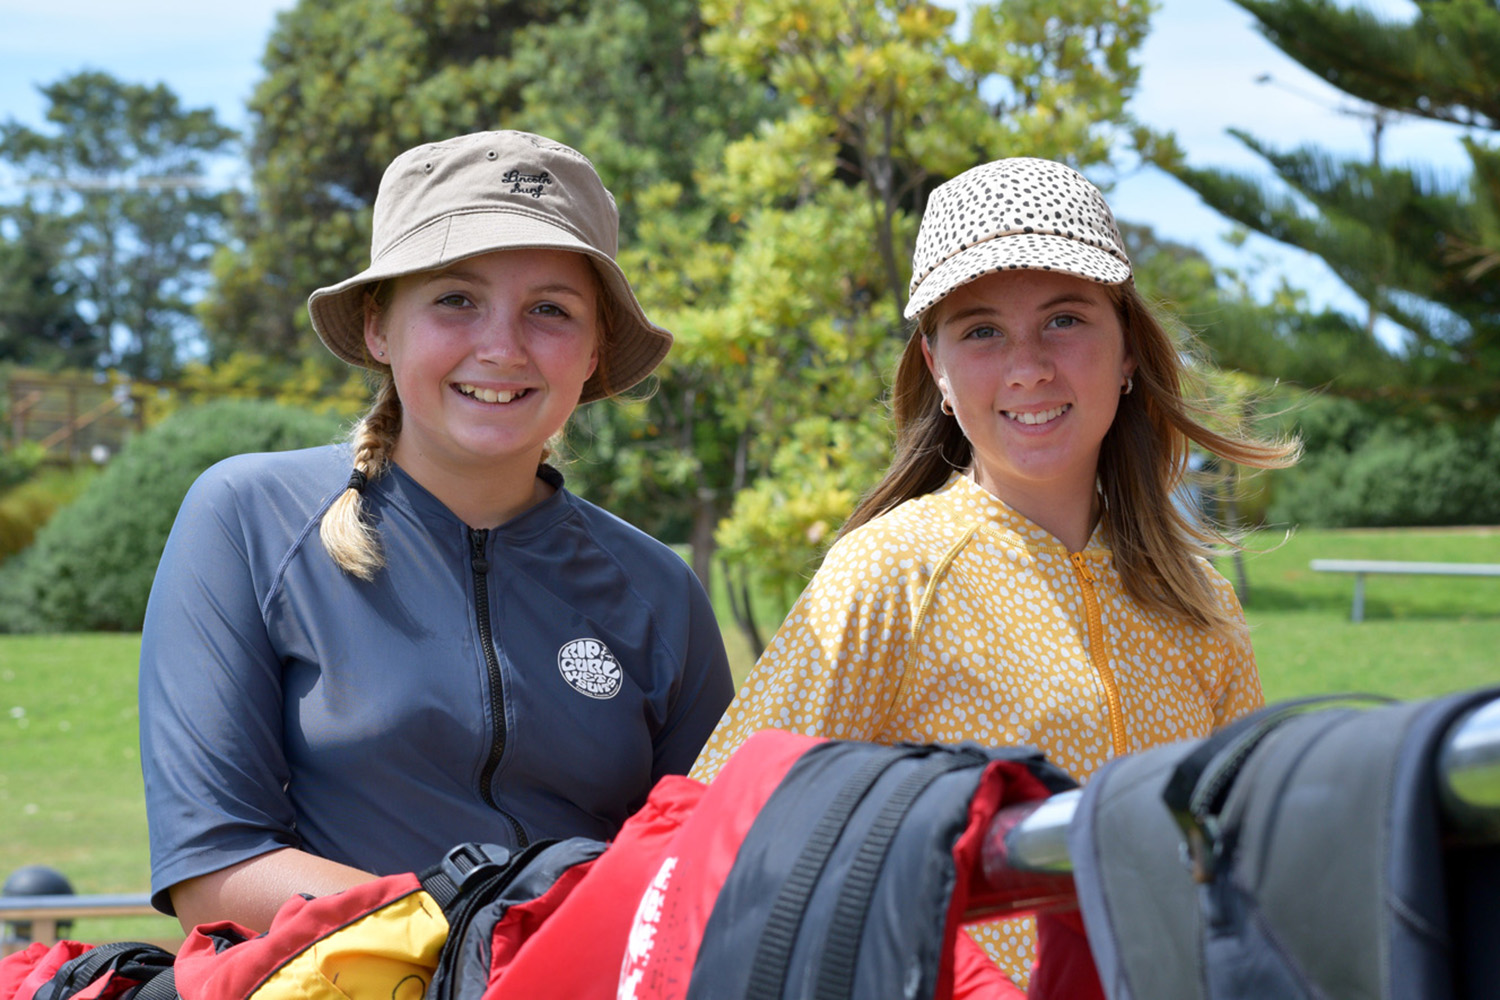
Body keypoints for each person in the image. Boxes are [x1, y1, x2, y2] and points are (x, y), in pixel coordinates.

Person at [688, 157, 1299, 988]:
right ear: (936, 369)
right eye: (980, 330)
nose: (1028, 366)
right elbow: (720, 829)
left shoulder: (1200, 599)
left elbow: (1251, 852)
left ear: (1126, 354)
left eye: (1065, 320)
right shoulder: (888, 571)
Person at [139, 130, 734, 933]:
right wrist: (477, 939)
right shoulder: (248, 518)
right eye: (455, 299)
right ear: (381, 328)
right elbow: (214, 868)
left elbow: (705, 874)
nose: (501, 347)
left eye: (550, 310)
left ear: (594, 351)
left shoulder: (658, 591)